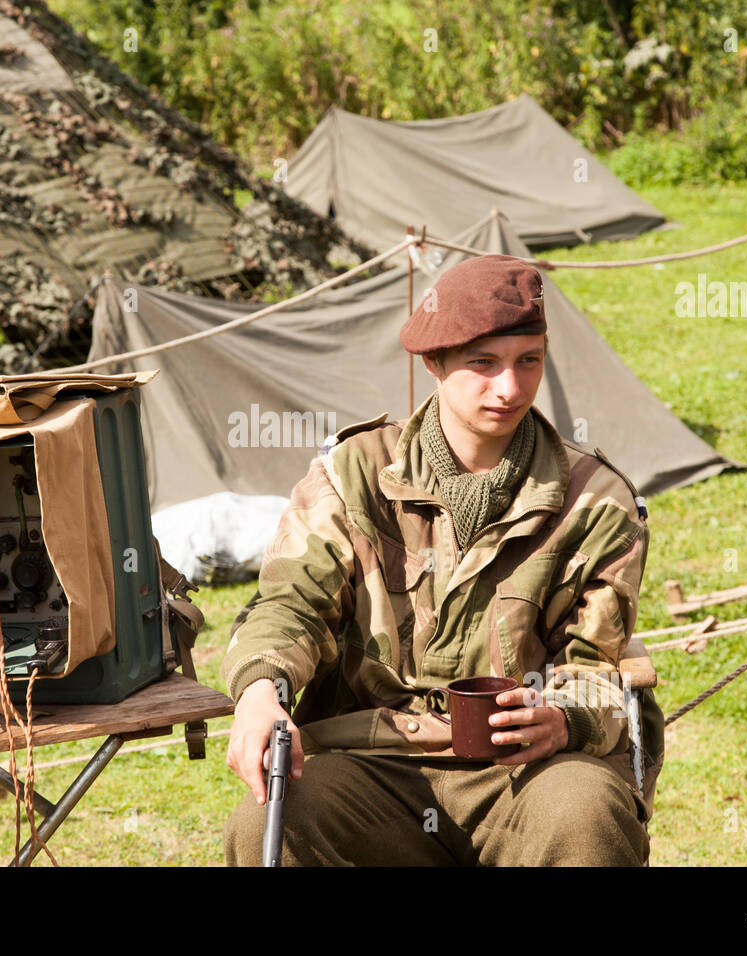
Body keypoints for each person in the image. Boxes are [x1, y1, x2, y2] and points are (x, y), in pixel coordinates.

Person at [221, 254, 664, 866]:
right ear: (434, 363)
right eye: (483, 364)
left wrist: (562, 719)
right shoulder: (353, 475)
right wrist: (259, 695)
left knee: (585, 813)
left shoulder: (596, 501)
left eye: (527, 362)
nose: (509, 389)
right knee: (273, 819)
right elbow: (290, 605)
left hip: (525, 777)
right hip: (374, 764)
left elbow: (603, 671)